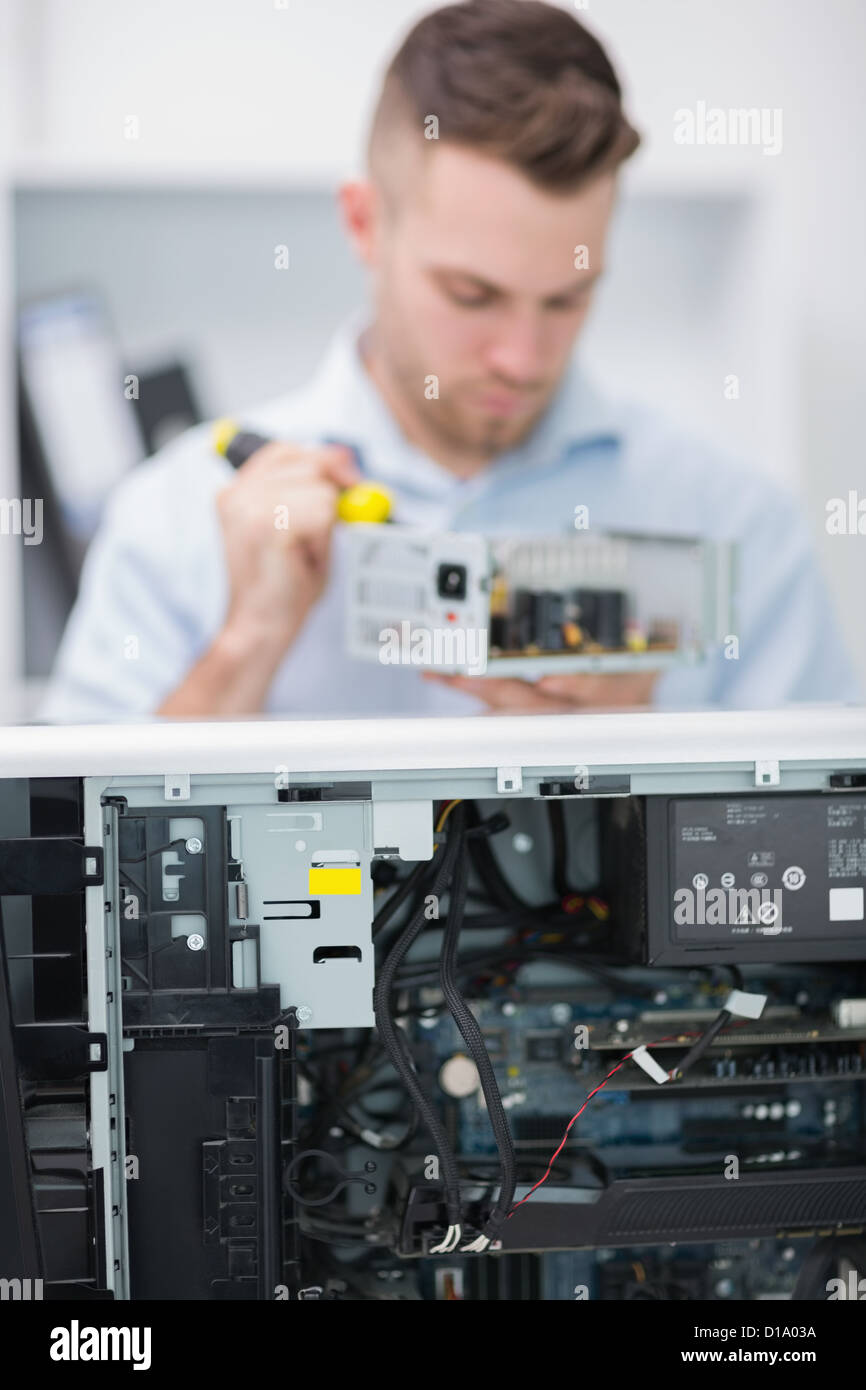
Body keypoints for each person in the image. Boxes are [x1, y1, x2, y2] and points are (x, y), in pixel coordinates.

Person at [39, 0, 859, 722]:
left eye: (567, 299)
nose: (520, 358)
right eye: (472, 295)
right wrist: (246, 646)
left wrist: (643, 744)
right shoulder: (174, 518)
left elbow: (826, 869)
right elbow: (71, 871)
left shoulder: (740, 528)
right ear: (364, 224)